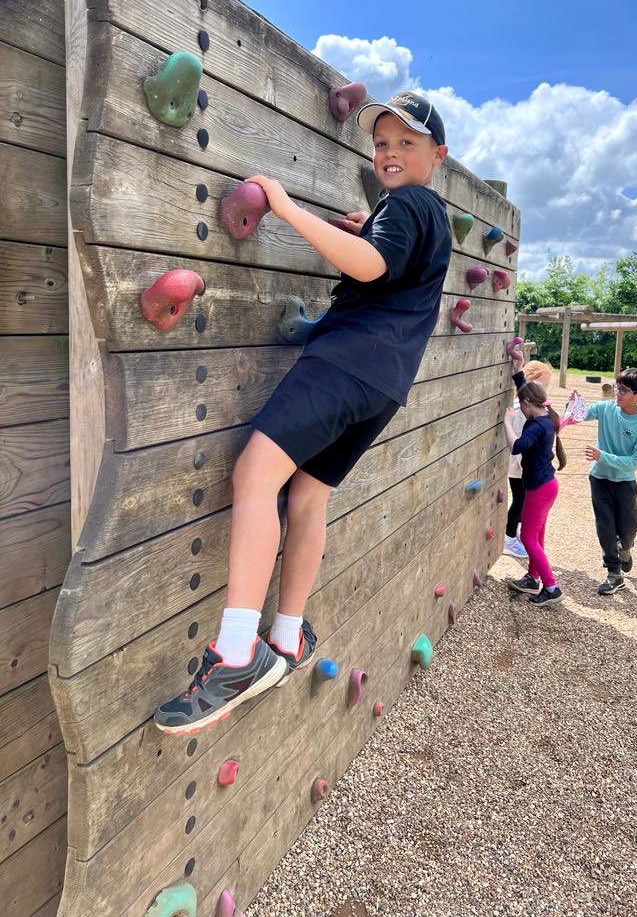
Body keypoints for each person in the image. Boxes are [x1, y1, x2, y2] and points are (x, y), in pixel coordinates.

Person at [155, 92, 451, 734]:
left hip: (343, 366)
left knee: (255, 477)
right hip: (384, 384)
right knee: (308, 499)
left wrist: (285, 206)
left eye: (407, 143)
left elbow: (371, 266)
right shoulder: (431, 217)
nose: (390, 153)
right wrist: (363, 230)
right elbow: (386, 263)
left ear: (438, 155)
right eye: (381, 143)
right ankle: (286, 636)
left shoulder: (406, 203)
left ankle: (235, 654)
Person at [580, 368, 637, 595]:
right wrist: (573, 405)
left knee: (628, 529)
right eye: (617, 387)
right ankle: (614, 573)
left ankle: (626, 549)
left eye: (623, 390)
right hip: (599, 479)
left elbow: (634, 461)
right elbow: (580, 414)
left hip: (624, 483)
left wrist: (603, 456)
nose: (617, 393)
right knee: (605, 527)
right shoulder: (605, 408)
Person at [503, 350, 567, 606]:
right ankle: (532, 577)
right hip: (546, 485)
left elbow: (516, 446)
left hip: (539, 488)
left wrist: (507, 422)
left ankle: (551, 587)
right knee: (537, 536)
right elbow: (525, 389)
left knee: (528, 538)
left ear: (528, 404)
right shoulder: (546, 415)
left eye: (522, 405)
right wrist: (518, 369)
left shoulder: (536, 426)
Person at [504, 360, 554, 559]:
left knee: (521, 501)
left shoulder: (531, 404)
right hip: (518, 467)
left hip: (522, 466)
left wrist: (517, 371)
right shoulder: (522, 409)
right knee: (519, 501)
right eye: (544, 385)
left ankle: (513, 535)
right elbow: (517, 442)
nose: (546, 390)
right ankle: (509, 539)